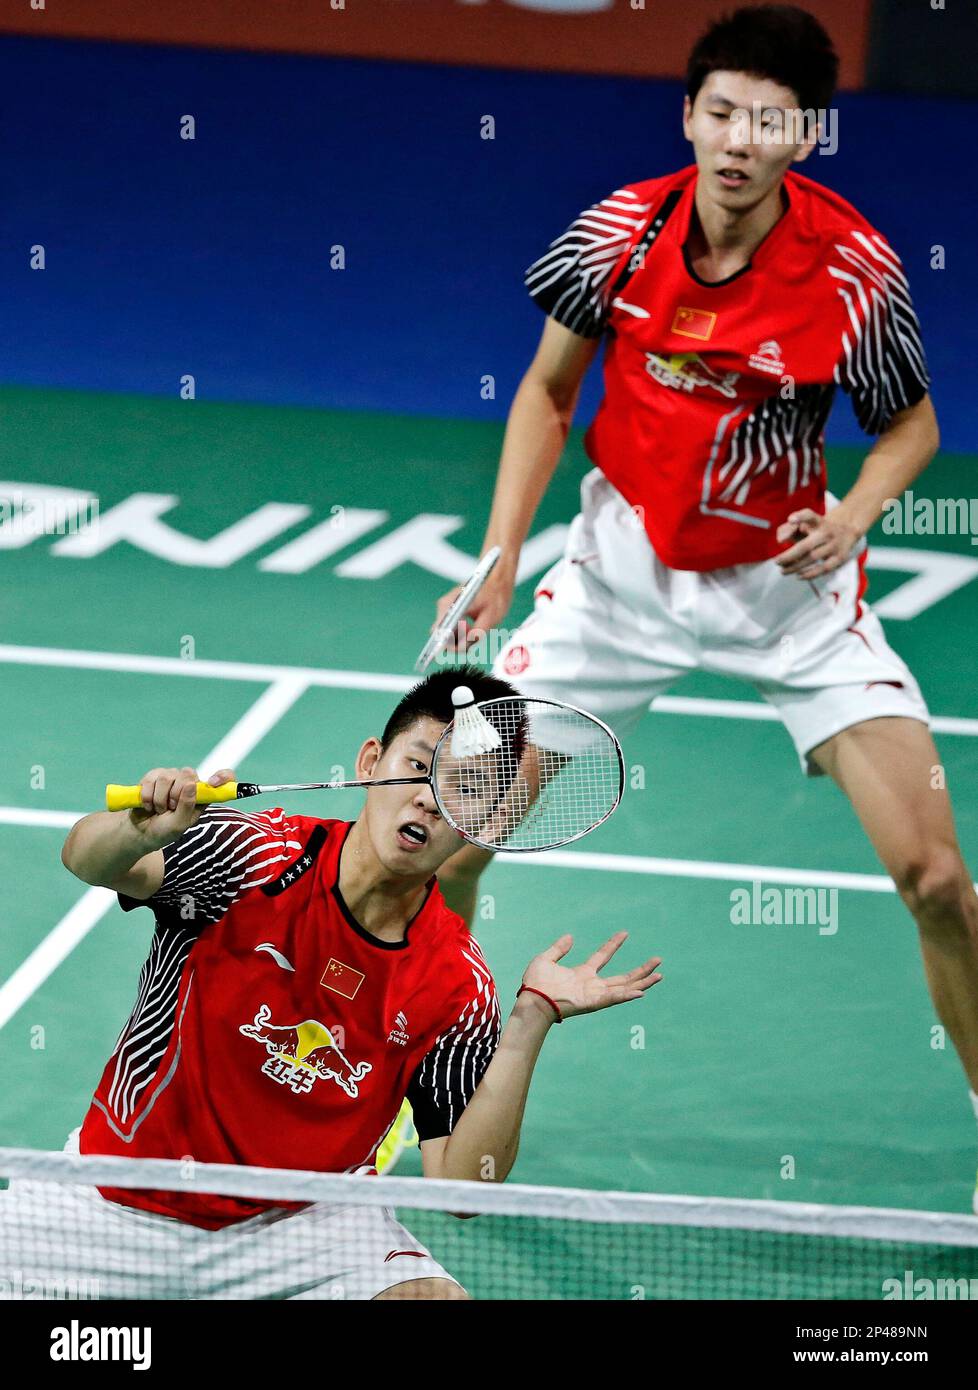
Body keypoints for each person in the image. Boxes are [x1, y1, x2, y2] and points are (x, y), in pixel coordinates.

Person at [431, 5, 978, 1207]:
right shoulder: (617, 236)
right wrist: (503, 548)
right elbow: (546, 388)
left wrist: (858, 513)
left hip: (789, 596)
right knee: (448, 843)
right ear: (688, 116)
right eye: (720, 111)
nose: (738, 139)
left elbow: (913, 427)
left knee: (939, 880)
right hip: (618, 579)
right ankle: (433, 1083)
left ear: (804, 136)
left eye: (768, 119)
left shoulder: (851, 273)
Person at [0, 666, 661, 1301]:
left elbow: (463, 1190)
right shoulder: (254, 855)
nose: (431, 797)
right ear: (370, 761)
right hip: (116, 1196)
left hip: (304, 1229)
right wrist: (138, 829)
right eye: (418, 766)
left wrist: (530, 1021)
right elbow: (86, 857)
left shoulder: (458, 981)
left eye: (467, 787)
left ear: (482, 822)